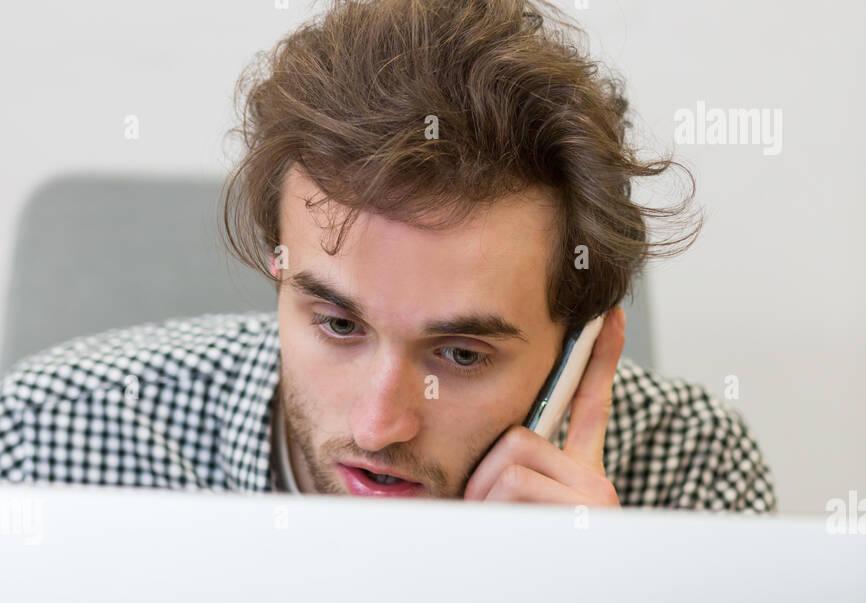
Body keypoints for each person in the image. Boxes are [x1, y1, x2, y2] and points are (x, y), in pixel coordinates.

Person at [0, 0, 776, 510]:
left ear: (576, 345)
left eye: (462, 354)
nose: (379, 426)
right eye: (337, 325)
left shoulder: (693, 471)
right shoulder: (49, 440)